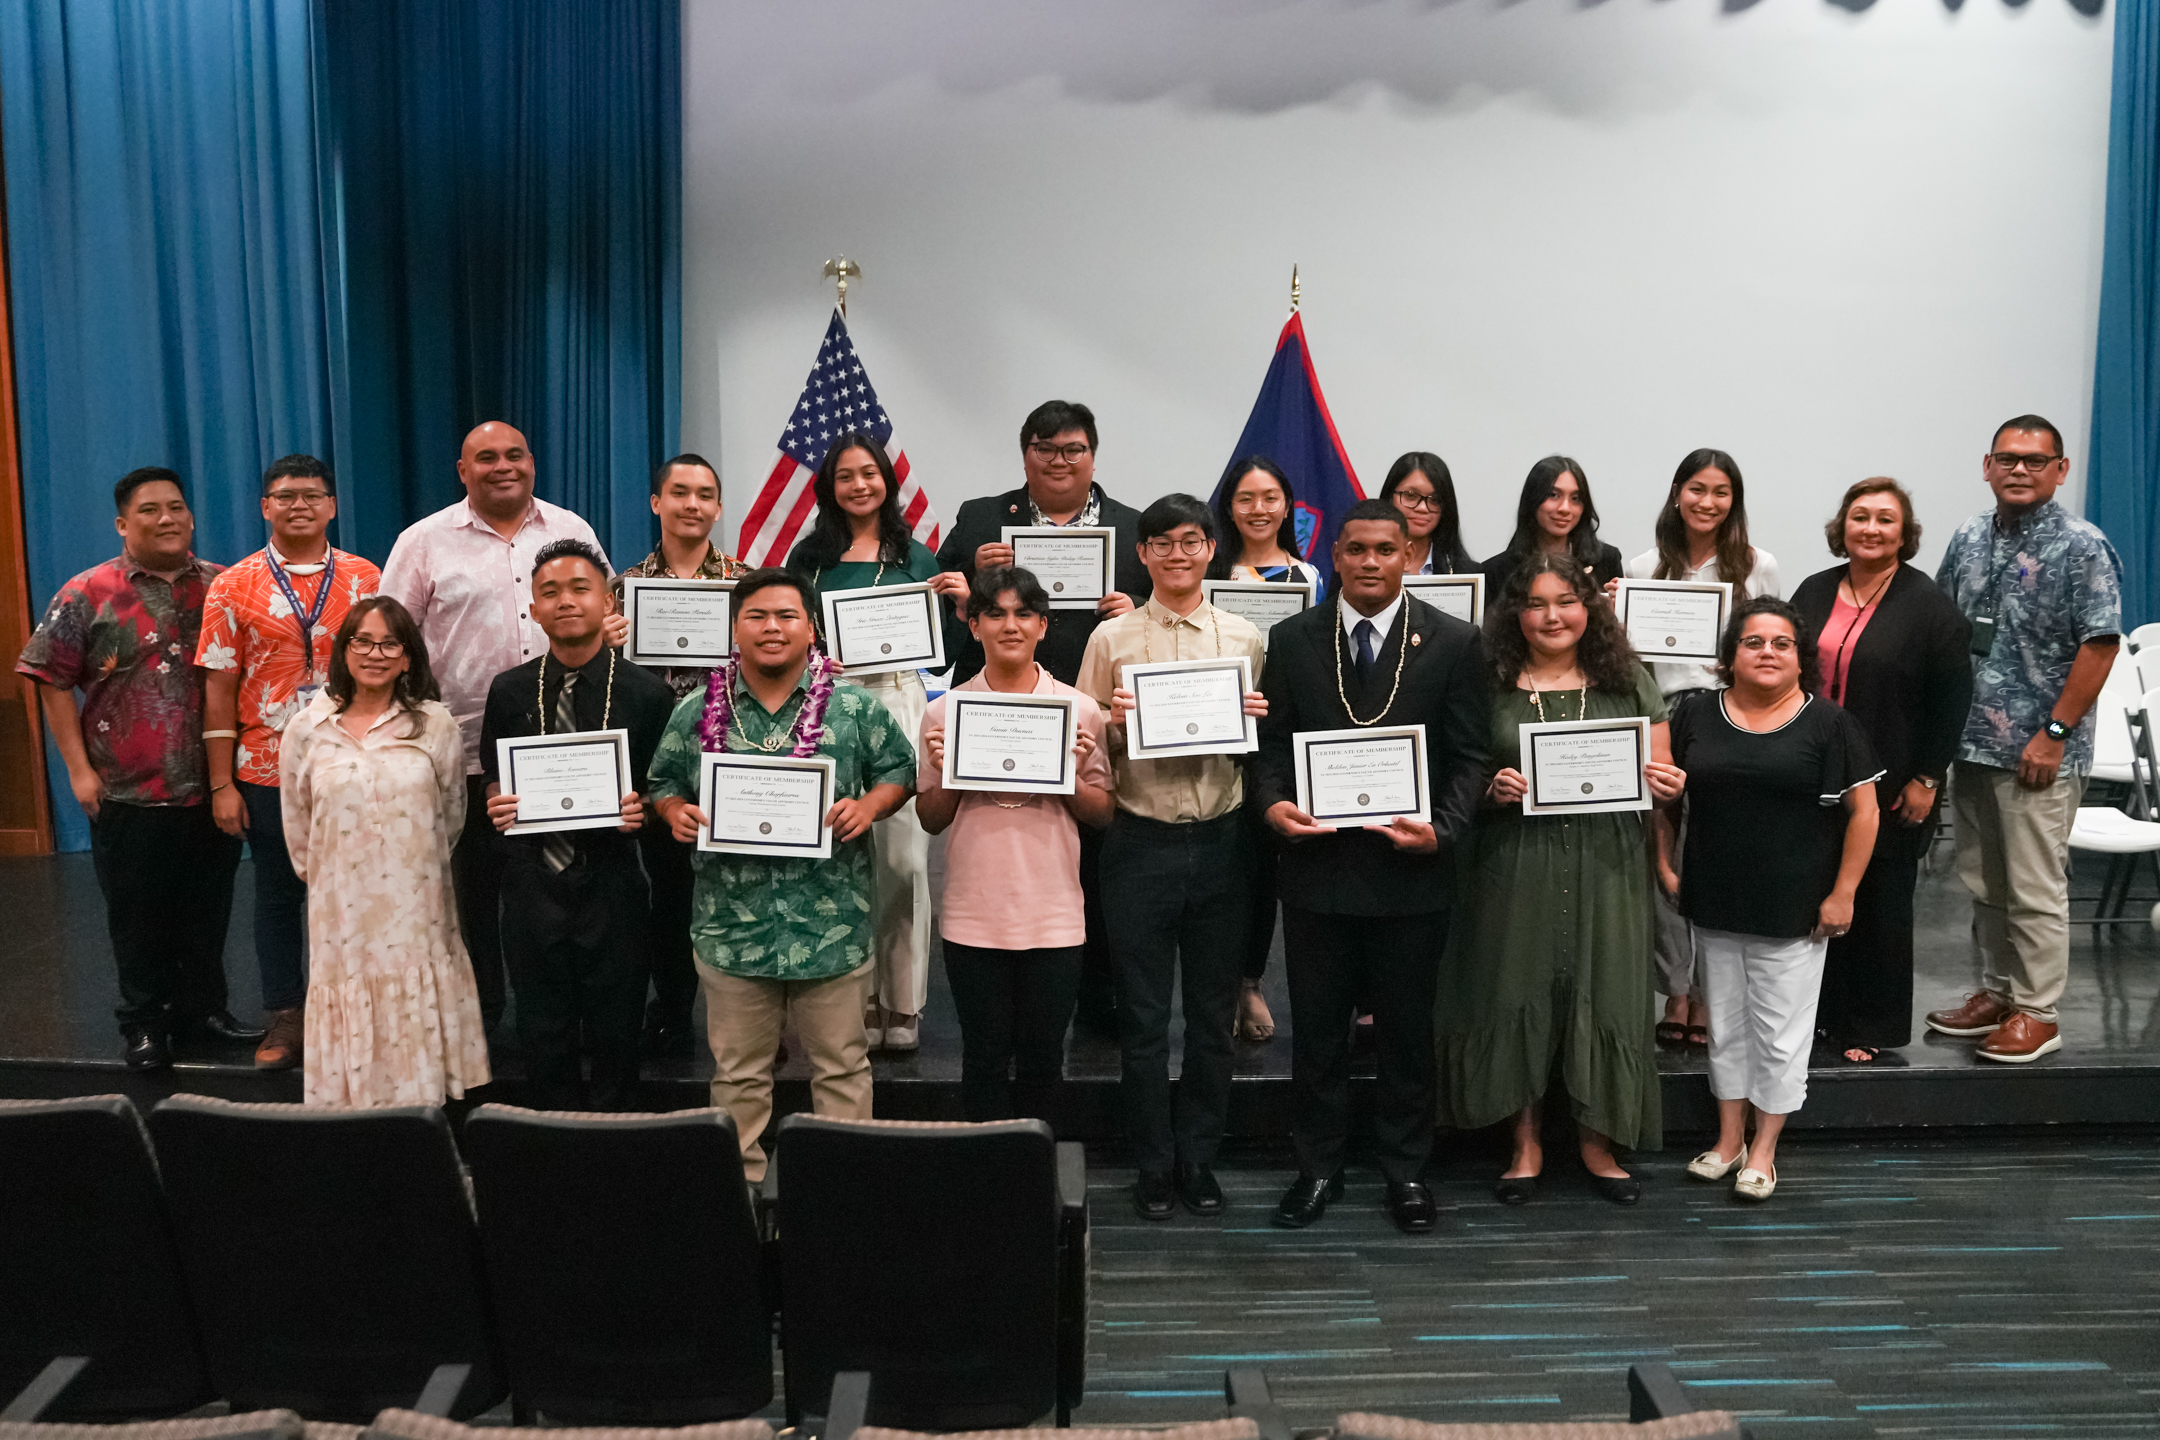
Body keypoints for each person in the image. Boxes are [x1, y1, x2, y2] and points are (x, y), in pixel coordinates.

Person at [1250, 498, 1490, 1233]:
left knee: (1406, 1036)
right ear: (1336, 556)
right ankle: (1317, 1167)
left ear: (1409, 555)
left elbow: (1472, 755)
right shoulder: (1292, 639)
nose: (1370, 563)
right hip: (1319, 873)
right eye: (1355, 550)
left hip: (1411, 875)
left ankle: (1406, 1172)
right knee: (1317, 1034)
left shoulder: (1453, 642)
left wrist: (1444, 832)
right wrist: (1271, 806)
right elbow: (1268, 746)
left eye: (1386, 550)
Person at [648, 569, 916, 1182]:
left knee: (843, 1069)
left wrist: (870, 805)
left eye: (787, 616)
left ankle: (838, 1198)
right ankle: (738, 1206)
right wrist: (674, 811)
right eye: (757, 616)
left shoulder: (852, 706)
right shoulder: (696, 709)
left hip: (831, 924)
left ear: (812, 628)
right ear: (735, 627)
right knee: (738, 1076)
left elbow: (900, 768)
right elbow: (662, 781)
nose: (772, 628)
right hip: (730, 930)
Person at [1435, 554, 1685, 1206]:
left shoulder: (1627, 677)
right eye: (1538, 603)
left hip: (1608, 862)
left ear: (1590, 609)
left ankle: (1598, 1143)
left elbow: (1660, 772)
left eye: (1567, 601)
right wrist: (1492, 789)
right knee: (1516, 988)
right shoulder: (1487, 679)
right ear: (1516, 613)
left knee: (1602, 988)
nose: (1553, 616)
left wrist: (1668, 785)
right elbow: (1457, 773)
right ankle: (1525, 1143)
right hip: (1511, 860)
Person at [16, 467, 255, 1069]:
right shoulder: (86, 592)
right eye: (150, 510)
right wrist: (77, 770)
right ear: (124, 524)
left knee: (209, 908)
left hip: (215, 784)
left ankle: (203, 1010)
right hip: (126, 789)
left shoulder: (225, 586)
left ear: (191, 516)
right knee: (138, 916)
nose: (167, 518)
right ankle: (144, 1024)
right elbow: (49, 679)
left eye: (176, 507)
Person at [379, 421, 613, 1035]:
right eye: (486, 458)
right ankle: (480, 1019)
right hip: (465, 753)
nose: (502, 466)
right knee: (472, 898)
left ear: (532, 463)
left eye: (514, 455)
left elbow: (606, 615)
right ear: (463, 471)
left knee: (568, 894)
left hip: (570, 749)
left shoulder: (572, 530)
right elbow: (392, 640)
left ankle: (570, 1015)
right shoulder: (422, 543)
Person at [1078, 494, 1270, 1221]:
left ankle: (1200, 1161)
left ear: (1211, 549)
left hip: (1223, 841)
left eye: (1192, 542)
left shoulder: (1245, 637)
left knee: (1213, 1019)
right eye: (1164, 544)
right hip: (1139, 841)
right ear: (1144, 553)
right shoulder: (1112, 640)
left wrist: (1252, 724)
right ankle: (1153, 1167)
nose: (1179, 555)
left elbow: (1262, 752)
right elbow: (1090, 747)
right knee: (1145, 1021)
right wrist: (1118, 726)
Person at [935, 399, 1150, 1029]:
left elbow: (1166, 601)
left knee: (1100, 848)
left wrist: (1133, 604)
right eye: (1044, 447)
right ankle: (1004, 976)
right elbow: (946, 603)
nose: (1058, 460)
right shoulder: (980, 518)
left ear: (1092, 455)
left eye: (1072, 449)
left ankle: (1097, 990)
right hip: (1004, 706)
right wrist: (967, 577)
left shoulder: (1130, 525)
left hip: (1096, 707)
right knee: (1019, 844)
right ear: (1024, 452)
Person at [1924, 415, 2123, 1063]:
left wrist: (2056, 732)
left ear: (2060, 470)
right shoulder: (1969, 536)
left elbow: (2099, 645)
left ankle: (2038, 1010)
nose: (2019, 469)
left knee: (2035, 886)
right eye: (2007, 458)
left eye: (2035, 461)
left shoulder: (2082, 546)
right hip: (1972, 741)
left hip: (2041, 751)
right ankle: (2000, 991)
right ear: (1987, 466)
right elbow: (1946, 625)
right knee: (1985, 881)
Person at [1671, 599, 1880, 1201]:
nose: (1767, 653)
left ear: (1800, 657)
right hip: (1714, 898)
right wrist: (1665, 863)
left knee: (1780, 1035)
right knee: (1726, 1030)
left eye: (1781, 643)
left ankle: (1764, 1149)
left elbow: (1864, 814)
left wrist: (1843, 894)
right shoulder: (1696, 714)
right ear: (1729, 655)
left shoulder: (1829, 723)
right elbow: (1667, 798)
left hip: (1795, 907)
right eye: (1753, 642)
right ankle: (1728, 1140)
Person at [195, 454, 380, 1071]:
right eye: (284, 495)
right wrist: (222, 782)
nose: (299, 504)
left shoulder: (365, 578)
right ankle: (284, 1016)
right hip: (265, 771)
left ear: (331, 505)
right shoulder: (231, 585)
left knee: (354, 893)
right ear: (264, 507)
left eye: (312, 494)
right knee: (276, 895)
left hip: (352, 764)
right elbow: (219, 688)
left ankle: (351, 1011)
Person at [789, 432, 970, 1054]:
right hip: (826, 708)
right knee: (843, 857)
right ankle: (855, 995)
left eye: (870, 473)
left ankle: (903, 1002)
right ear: (829, 487)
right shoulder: (807, 559)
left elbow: (946, 653)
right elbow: (789, 634)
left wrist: (962, 606)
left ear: (887, 482)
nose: (859, 485)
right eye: (846, 476)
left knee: (903, 861)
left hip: (899, 701)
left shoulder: (916, 557)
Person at [480, 540, 674, 1110]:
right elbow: (494, 774)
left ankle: (615, 1163)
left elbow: (665, 789)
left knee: (617, 1037)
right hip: (532, 885)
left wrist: (646, 810)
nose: (565, 601)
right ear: (533, 609)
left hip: (613, 883)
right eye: (550, 592)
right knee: (542, 1034)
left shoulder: (646, 692)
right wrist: (498, 800)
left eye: (580, 588)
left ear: (607, 600)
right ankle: (551, 1163)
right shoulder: (509, 689)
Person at [917, 567, 1113, 1123]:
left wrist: (1072, 774)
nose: (1010, 625)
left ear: (1043, 626)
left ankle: (1035, 1183)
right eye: (995, 614)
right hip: (973, 912)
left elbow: (1102, 814)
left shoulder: (1079, 710)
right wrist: (949, 769)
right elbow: (930, 819)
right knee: (981, 1058)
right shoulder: (944, 712)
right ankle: (985, 1188)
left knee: (1043, 1061)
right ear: (973, 625)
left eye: (1024, 613)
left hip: (1054, 914)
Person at [278, 597, 489, 1105]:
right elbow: (298, 825)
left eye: (390, 642)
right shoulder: (307, 727)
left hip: (417, 903)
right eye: (363, 641)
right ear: (344, 651)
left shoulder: (434, 723)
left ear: (408, 656)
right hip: (342, 910)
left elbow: (451, 814)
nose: (376, 653)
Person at [1792, 479, 1972, 1064]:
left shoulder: (1928, 606)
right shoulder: (1814, 591)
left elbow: (1952, 700)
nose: (1871, 528)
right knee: (1817, 891)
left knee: (1880, 902)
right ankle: (1819, 1014)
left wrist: (1927, 776)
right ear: (1842, 526)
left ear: (1905, 533)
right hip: (1814, 768)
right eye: (1860, 517)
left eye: (1885, 520)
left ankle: (1871, 1021)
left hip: (1894, 775)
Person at [1619, 449, 1780, 1053]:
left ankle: (1711, 995)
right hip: (1658, 718)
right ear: (1676, 493)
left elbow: (1773, 641)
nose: (1707, 502)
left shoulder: (1757, 565)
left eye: (1720, 492)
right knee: (1660, 852)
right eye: (1696, 489)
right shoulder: (1643, 566)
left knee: (1710, 854)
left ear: (1733, 501)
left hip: (1724, 716)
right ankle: (1675, 992)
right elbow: (1631, 660)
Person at [611, 453, 748, 1060]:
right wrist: (604, 642)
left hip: (739, 756)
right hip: (653, 764)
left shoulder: (748, 582)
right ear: (656, 503)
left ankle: (748, 1021)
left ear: (718, 508)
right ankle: (670, 1008)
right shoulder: (621, 587)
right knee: (667, 894)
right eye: (680, 493)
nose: (692, 504)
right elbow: (589, 675)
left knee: (739, 888)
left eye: (705, 495)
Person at [1204, 455, 1318, 1042]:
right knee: (1227, 871)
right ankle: (1218, 986)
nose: (1258, 509)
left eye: (1270, 497)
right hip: (1216, 735)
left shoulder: (1310, 577)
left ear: (1287, 505)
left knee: (1266, 868)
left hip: (1281, 735)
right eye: (1245, 499)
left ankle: (1250, 981)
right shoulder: (1208, 572)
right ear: (1229, 506)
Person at [1481, 456, 1623, 599]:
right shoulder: (1495, 571)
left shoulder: (1606, 560)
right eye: (1554, 495)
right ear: (1532, 500)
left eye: (1575, 499)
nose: (1565, 508)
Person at [1377, 452, 1477, 575]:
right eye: (1410, 495)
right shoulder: (1362, 566)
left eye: (1435, 500)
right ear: (1389, 497)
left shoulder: (1467, 573)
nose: (1423, 508)